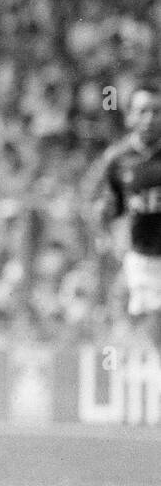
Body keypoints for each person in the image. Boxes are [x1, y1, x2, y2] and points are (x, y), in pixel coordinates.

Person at [88, 82, 161, 352]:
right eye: (143, 111)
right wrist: (106, 239)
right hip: (143, 258)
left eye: (157, 111)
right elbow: (102, 206)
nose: (150, 118)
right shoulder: (118, 159)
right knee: (152, 319)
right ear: (130, 115)